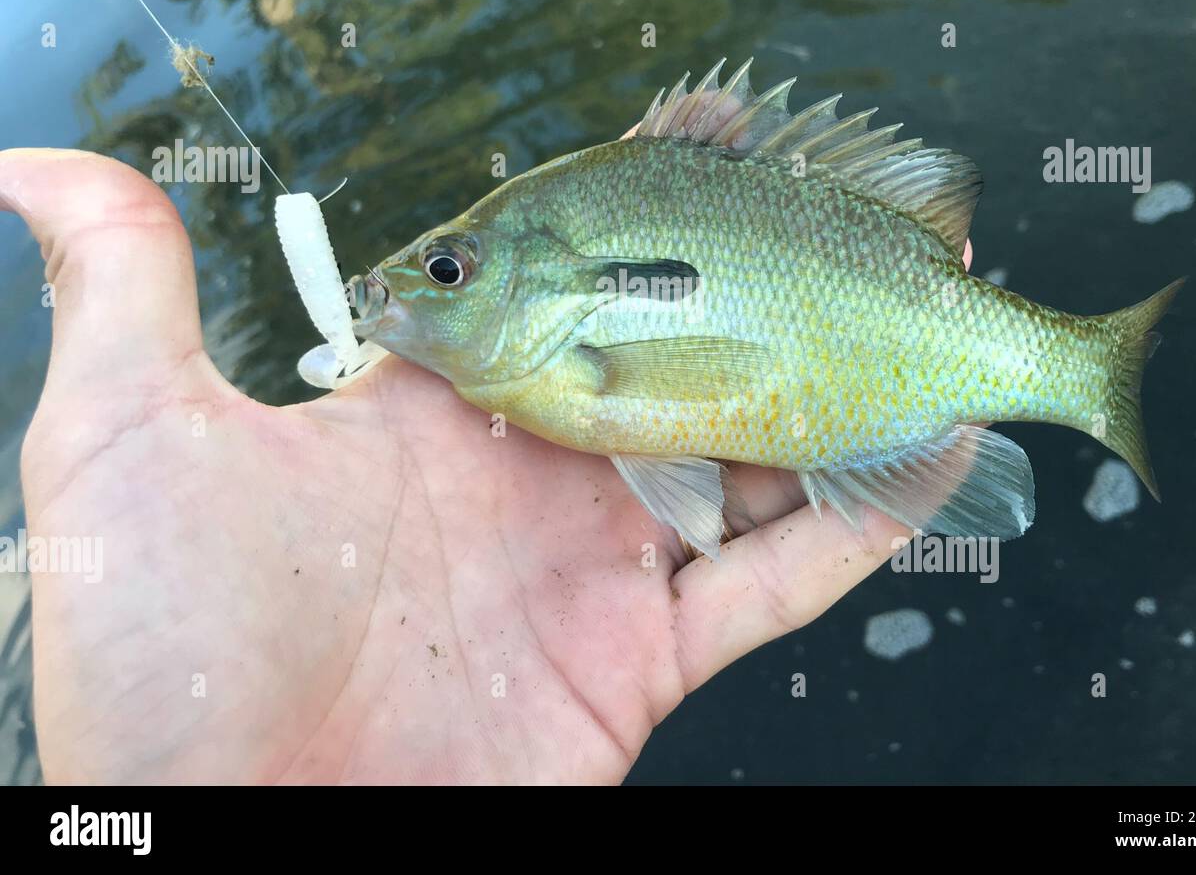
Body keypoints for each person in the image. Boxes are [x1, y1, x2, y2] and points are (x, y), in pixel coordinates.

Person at [0, 146, 972, 784]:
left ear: (548, 280)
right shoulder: (535, 379)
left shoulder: (559, 372)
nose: (406, 287)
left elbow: (658, 397)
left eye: (450, 270)